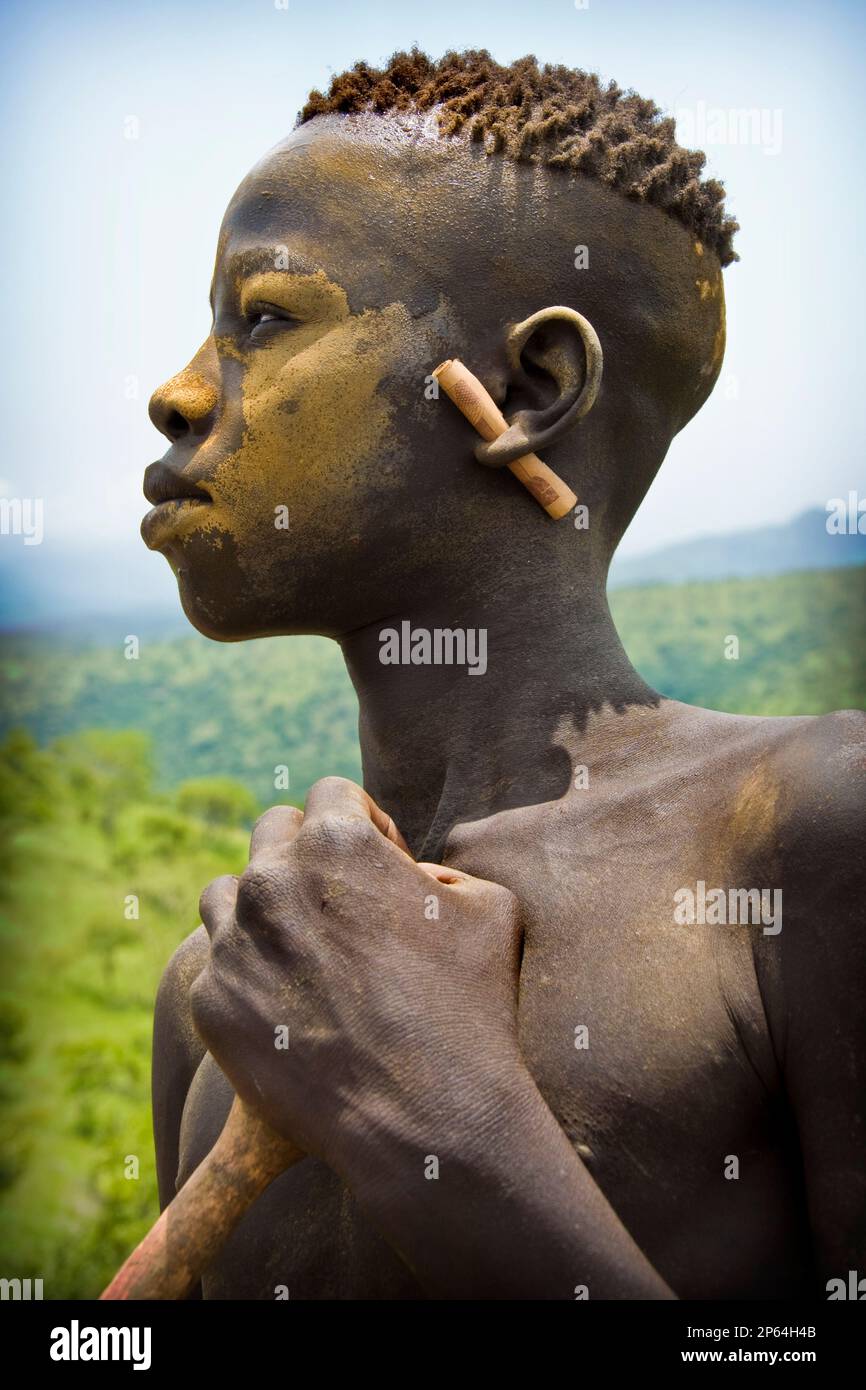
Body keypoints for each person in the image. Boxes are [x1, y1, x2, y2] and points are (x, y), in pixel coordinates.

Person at [143, 49, 865, 1299]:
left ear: (528, 389)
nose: (178, 392)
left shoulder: (807, 834)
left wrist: (428, 1111)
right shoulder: (230, 976)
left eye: (261, 318)